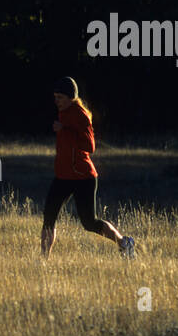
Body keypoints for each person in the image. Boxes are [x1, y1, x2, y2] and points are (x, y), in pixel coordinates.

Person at [40, 76, 134, 257]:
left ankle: (124, 242)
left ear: (71, 97)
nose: (56, 101)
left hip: (83, 177)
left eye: (60, 97)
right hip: (63, 176)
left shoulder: (80, 115)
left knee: (89, 223)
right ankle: (43, 259)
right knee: (48, 217)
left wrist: (64, 131)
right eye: (55, 97)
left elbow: (90, 146)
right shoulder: (63, 112)